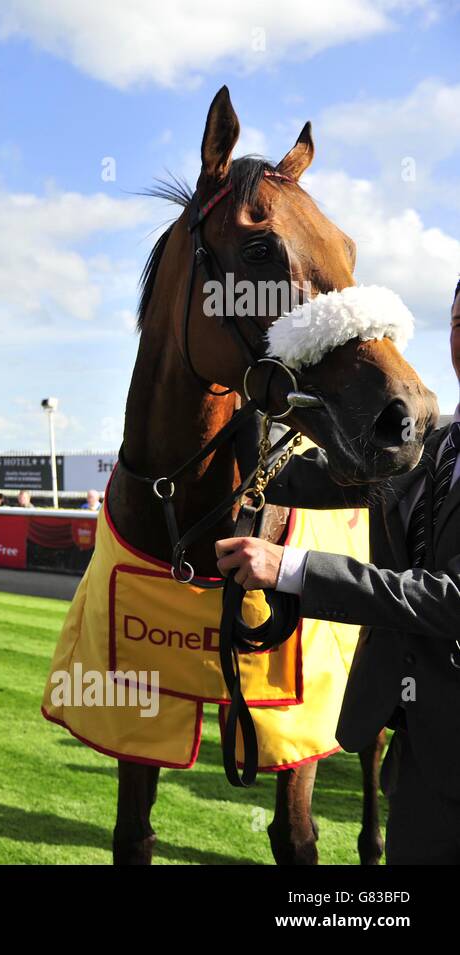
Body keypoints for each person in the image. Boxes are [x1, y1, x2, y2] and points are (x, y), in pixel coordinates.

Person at [216, 278, 460, 863]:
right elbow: (300, 480)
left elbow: (452, 600)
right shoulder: (434, 443)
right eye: (458, 319)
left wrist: (292, 568)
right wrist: (265, 381)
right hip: (419, 752)